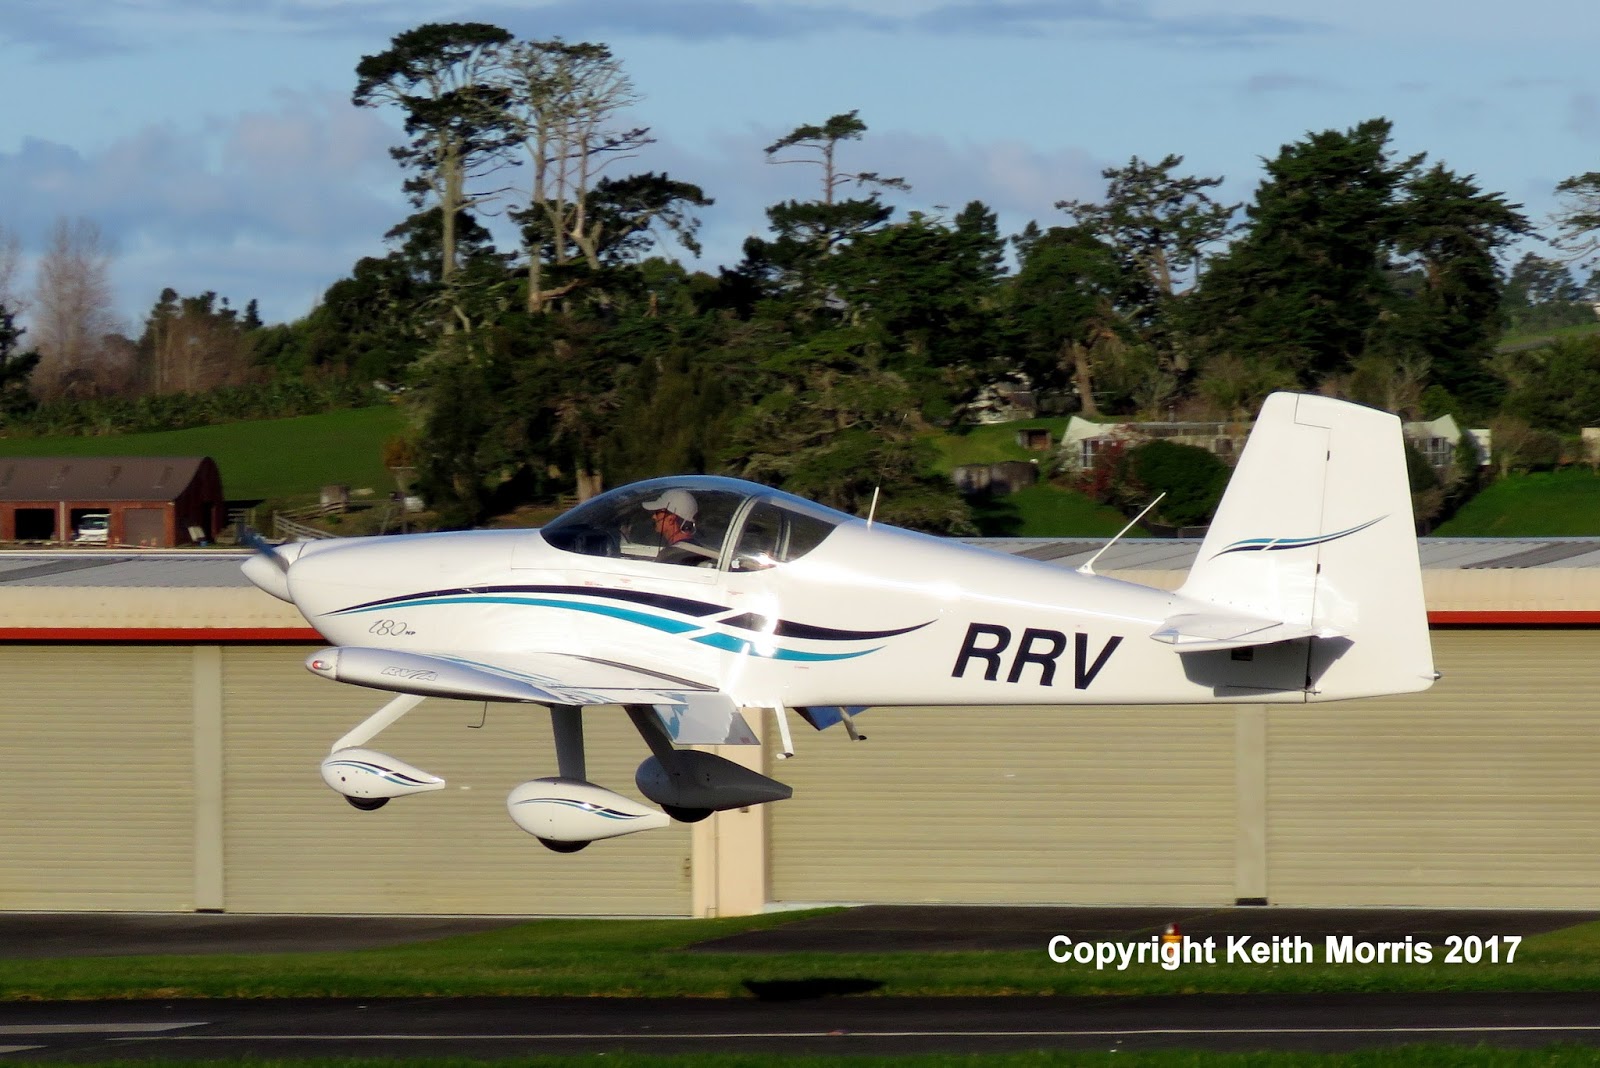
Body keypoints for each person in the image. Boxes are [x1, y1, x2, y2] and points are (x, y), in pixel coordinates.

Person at [641, 489, 717, 566]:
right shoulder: (699, 548)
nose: (654, 516)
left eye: (657, 512)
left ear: (671, 519)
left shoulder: (670, 556)